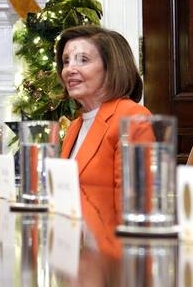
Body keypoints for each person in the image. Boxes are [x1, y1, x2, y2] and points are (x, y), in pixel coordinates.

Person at [56, 25, 150, 200]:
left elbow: (135, 203)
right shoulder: (75, 126)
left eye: (83, 60)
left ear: (111, 68)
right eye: (66, 61)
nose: (69, 69)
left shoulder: (134, 118)